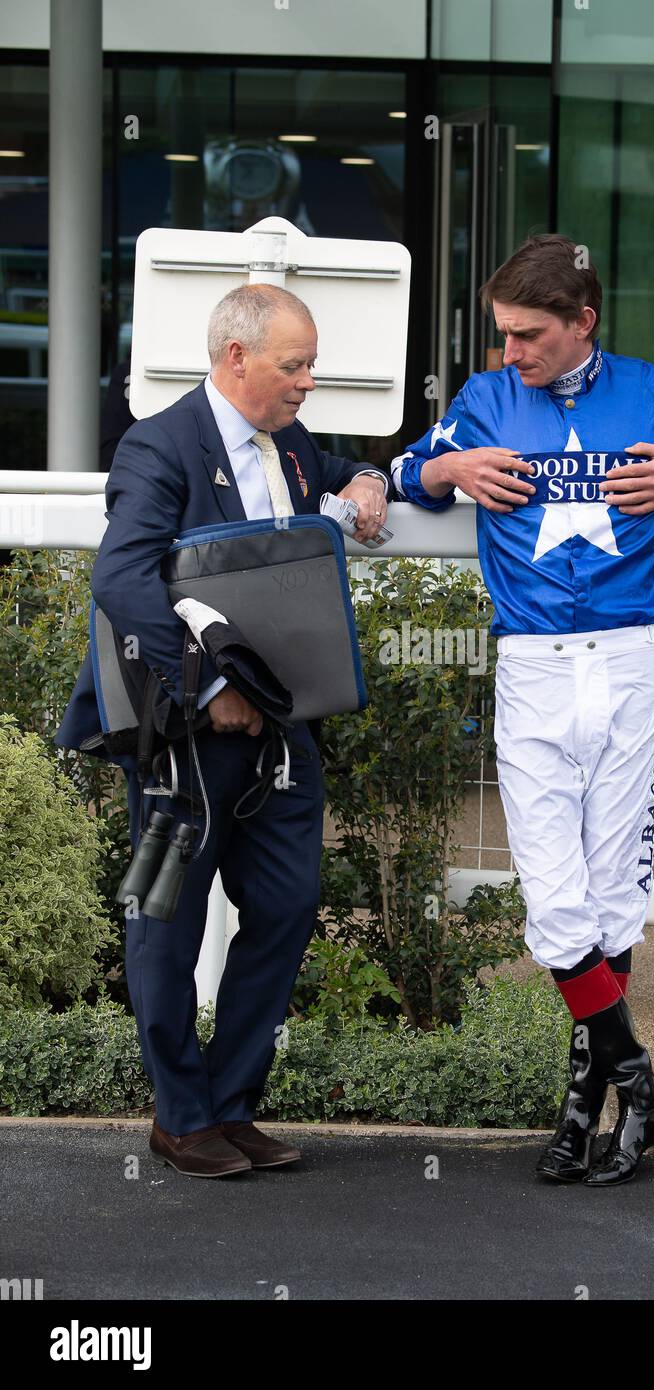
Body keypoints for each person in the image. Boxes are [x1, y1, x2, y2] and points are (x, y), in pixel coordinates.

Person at [391, 234, 654, 1186]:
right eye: (504, 335)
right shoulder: (482, 403)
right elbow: (406, 472)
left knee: (610, 898)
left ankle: (583, 1107)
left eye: (529, 335)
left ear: (582, 322)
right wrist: (449, 474)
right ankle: (635, 1080)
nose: (511, 352)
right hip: (533, 670)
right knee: (556, 901)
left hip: (631, 665)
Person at [55, 283, 390, 1178]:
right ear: (236, 358)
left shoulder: (293, 444)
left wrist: (368, 477)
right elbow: (123, 580)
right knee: (158, 917)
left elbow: (332, 485)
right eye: (295, 365)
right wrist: (207, 691)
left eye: (311, 364)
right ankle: (179, 1117)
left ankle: (232, 1105)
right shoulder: (156, 446)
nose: (308, 382)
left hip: (281, 736)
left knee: (285, 909)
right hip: (176, 744)